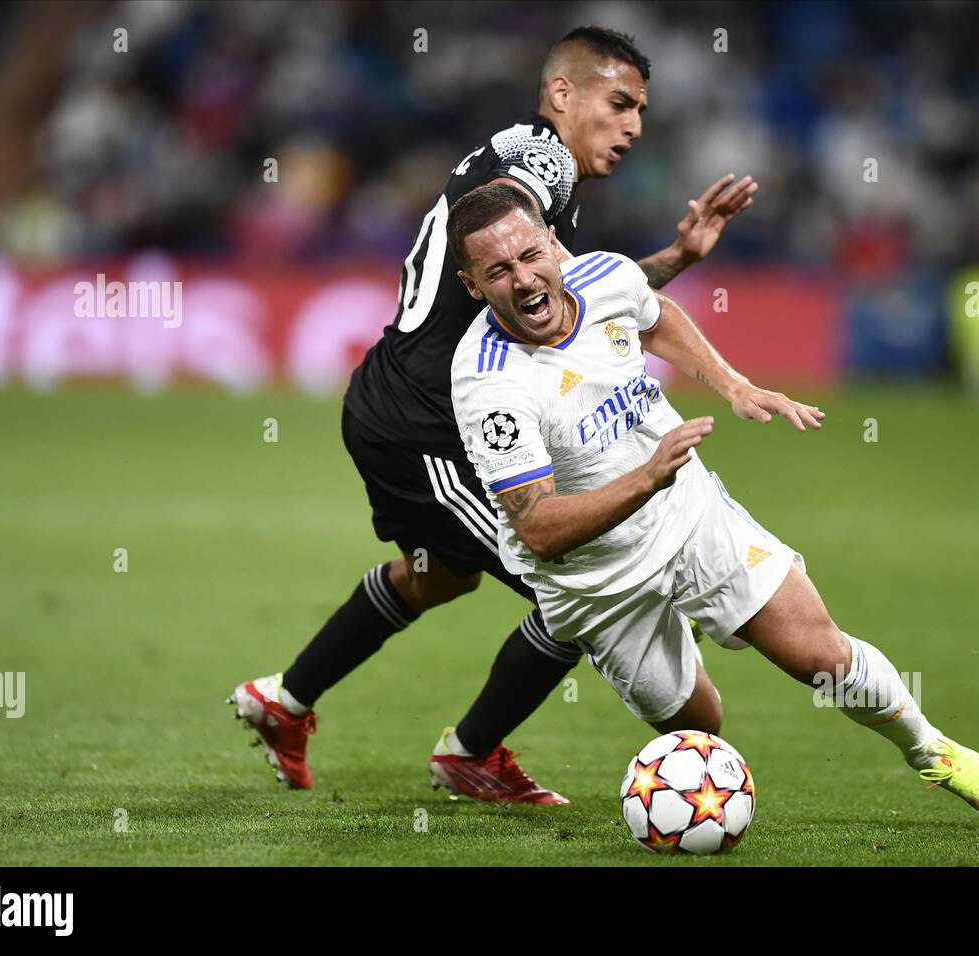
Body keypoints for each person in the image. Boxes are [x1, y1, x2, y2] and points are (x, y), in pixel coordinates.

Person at [229, 26, 758, 801]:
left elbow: (570, 303)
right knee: (572, 576)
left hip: (414, 406)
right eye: (619, 104)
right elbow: (554, 307)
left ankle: (285, 699)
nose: (634, 126)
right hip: (425, 425)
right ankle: (470, 753)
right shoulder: (535, 172)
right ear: (563, 95)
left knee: (438, 575)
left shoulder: (522, 164)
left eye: (641, 109)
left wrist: (673, 260)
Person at [445, 183, 979, 820]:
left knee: (820, 656)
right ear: (473, 285)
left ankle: (932, 751)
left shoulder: (605, 277)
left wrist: (732, 384)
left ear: (555, 243)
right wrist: (646, 476)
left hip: (690, 515)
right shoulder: (488, 383)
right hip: (593, 580)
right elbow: (537, 529)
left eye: (532, 255)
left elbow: (655, 315)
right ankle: (682, 640)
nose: (525, 279)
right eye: (499, 270)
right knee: (701, 724)